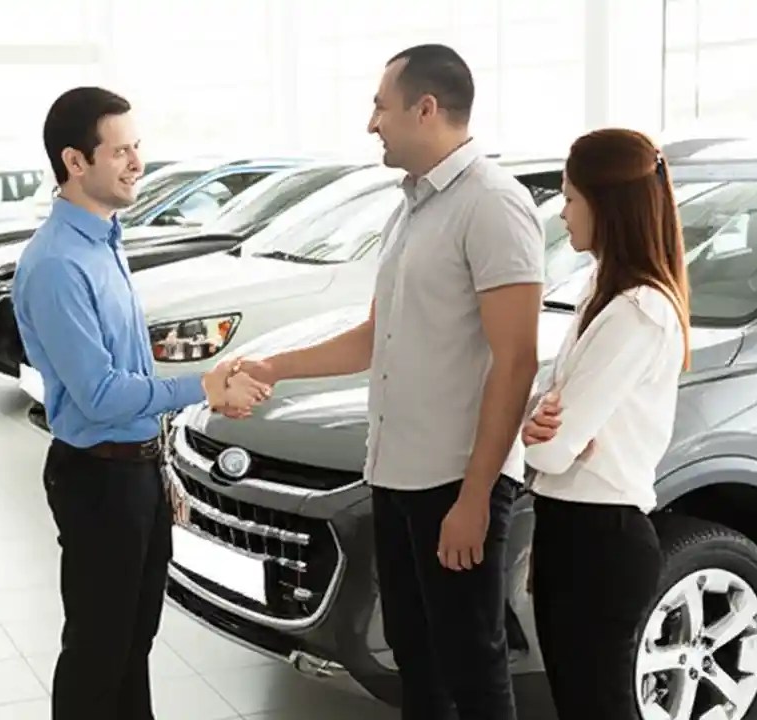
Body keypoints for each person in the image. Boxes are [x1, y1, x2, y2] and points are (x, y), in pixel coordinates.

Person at [227, 44, 543, 720]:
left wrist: (477, 498)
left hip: (456, 482)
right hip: (397, 476)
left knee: (471, 662)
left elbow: (517, 360)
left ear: (425, 109)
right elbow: (377, 336)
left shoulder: (492, 203)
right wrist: (273, 367)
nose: (372, 123)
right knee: (414, 654)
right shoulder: (413, 206)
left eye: (380, 107)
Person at [11, 86, 272, 720]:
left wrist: (160, 461)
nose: (138, 163)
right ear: (75, 162)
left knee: (133, 647)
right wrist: (204, 386)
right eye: (121, 151)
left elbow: (131, 368)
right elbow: (100, 394)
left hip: (134, 471)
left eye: (138, 147)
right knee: (98, 656)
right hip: (97, 480)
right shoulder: (57, 264)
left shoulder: (105, 239)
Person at [520, 129, 689, 720]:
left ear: (606, 204)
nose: (562, 212)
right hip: (570, 528)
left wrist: (544, 430)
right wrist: (542, 422)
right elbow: (546, 415)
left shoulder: (638, 312)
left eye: (570, 198)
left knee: (597, 706)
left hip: (600, 538)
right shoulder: (601, 292)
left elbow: (550, 451)